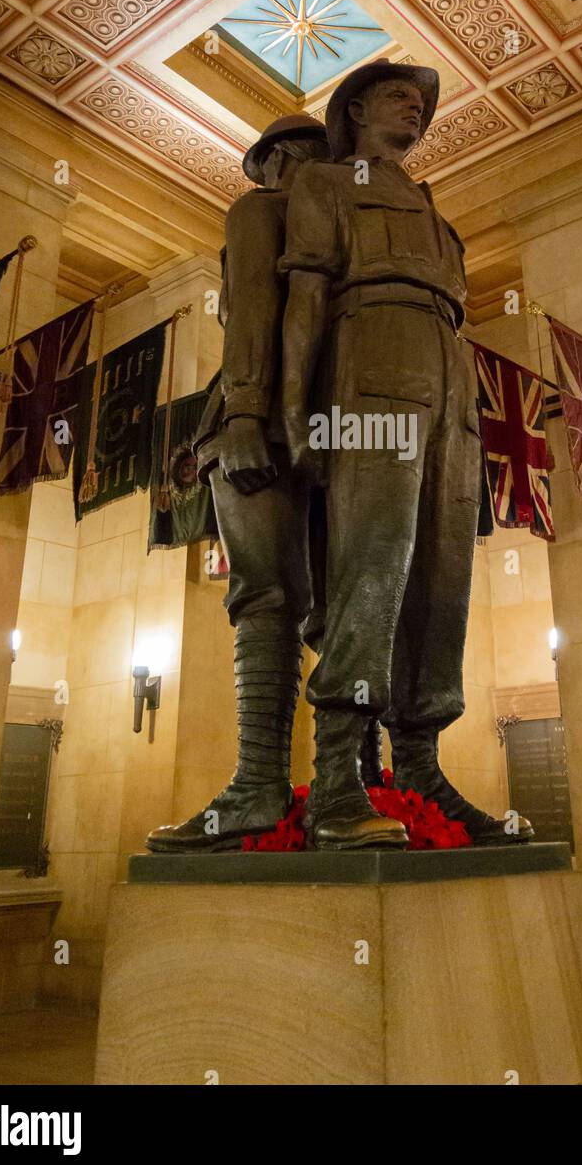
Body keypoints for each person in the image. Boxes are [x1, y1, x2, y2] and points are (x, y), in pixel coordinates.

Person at [281, 60, 533, 850]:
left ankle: (420, 767)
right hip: (372, 356)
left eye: (422, 103)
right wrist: (291, 409)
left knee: (443, 573)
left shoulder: (435, 213)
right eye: (398, 96)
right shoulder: (324, 185)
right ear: (353, 109)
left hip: (450, 373)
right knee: (373, 561)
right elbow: (306, 295)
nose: (415, 109)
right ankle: (335, 780)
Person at [145, 116, 407, 851]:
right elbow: (253, 314)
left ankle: (350, 780)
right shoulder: (259, 211)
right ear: (283, 161)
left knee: (343, 598)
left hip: (331, 422)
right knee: (269, 596)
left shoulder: (335, 222)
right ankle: (260, 780)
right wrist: (249, 415)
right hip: (253, 419)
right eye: (315, 158)